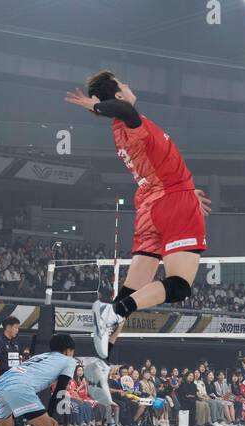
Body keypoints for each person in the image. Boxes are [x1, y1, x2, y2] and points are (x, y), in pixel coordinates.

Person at [66, 72, 212, 352]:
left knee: (131, 291)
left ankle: (101, 355)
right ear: (119, 96)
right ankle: (113, 313)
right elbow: (121, 109)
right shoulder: (128, 120)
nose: (129, 85)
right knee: (179, 287)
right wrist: (93, 105)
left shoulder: (120, 130)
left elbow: (155, 164)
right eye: (123, 84)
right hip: (172, 200)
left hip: (151, 203)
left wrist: (183, 189)